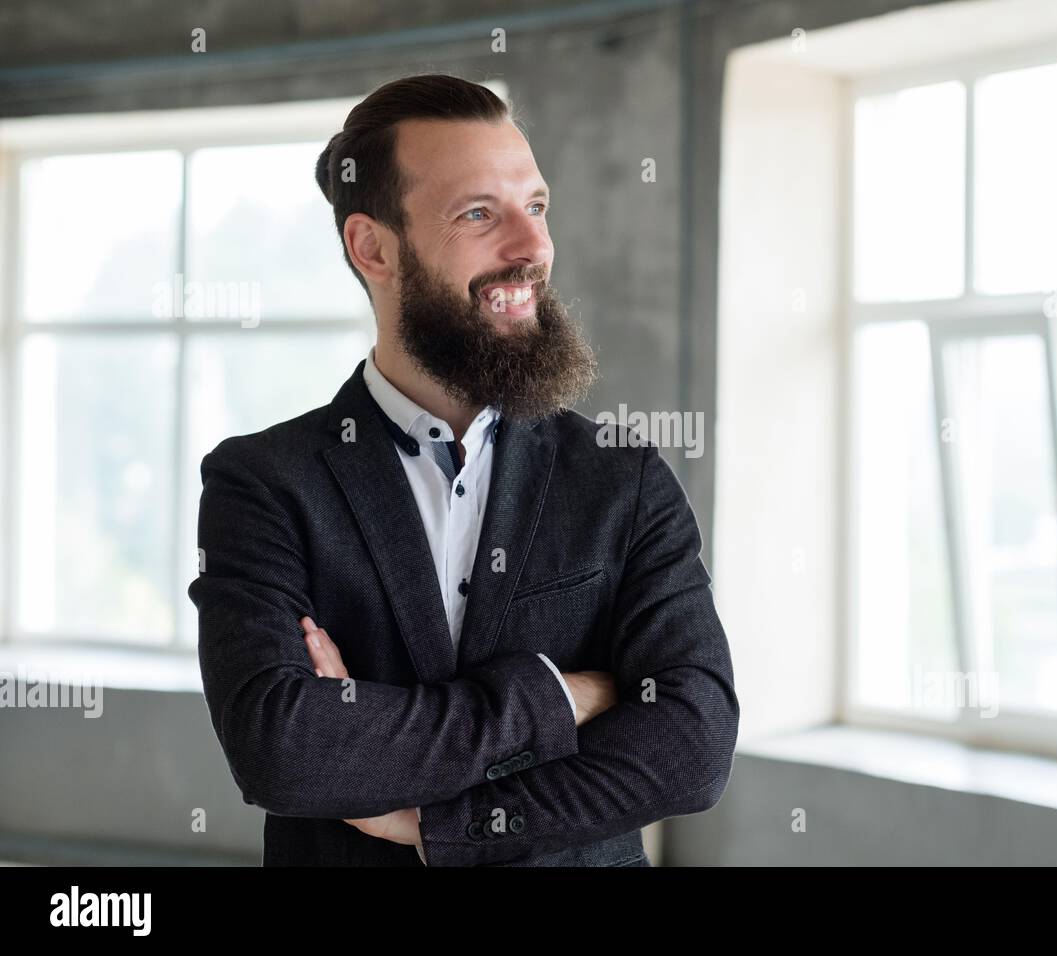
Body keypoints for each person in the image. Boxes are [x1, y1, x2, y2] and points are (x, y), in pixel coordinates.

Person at [189, 73, 740, 866]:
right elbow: (285, 749)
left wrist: (434, 820)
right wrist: (565, 695)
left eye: (538, 207)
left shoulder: (624, 478)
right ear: (372, 246)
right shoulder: (263, 484)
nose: (532, 247)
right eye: (480, 214)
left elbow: (691, 747)